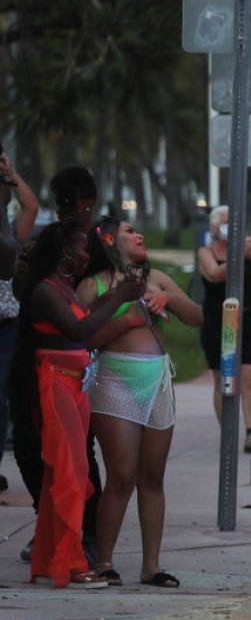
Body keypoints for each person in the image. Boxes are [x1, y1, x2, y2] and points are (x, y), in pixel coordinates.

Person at [76, 217, 203, 588]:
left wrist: (170, 298)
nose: (140, 235)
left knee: (153, 477)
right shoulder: (93, 284)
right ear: (109, 239)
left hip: (158, 380)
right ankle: (104, 562)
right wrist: (128, 320)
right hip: (115, 378)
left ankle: (151, 566)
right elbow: (83, 337)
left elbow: (197, 316)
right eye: (130, 231)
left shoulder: (157, 278)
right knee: (122, 476)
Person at [16, 222, 145, 587]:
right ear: (64, 253)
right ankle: (71, 563)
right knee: (71, 473)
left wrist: (120, 293)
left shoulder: (65, 288)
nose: (88, 253)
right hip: (56, 383)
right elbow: (79, 331)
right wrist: (120, 299)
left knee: (71, 472)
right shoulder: (45, 292)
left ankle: (49, 558)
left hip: (77, 386)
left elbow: (85, 319)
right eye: (82, 248)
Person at [11, 166, 102, 565]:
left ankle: (88, 532)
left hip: (78, 360)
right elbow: (25, 292)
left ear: (87, 203)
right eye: (62, 203)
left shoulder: (95, 243)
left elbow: (84, 315)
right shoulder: (52, 242)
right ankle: (49, 520)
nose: (70, 211)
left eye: (74, 203)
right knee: (33, 447)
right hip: (35, 354)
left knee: (79, 451)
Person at [198, 205, 251, 453]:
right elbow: (215, 274)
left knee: (249, 376)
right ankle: (228, 434)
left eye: (232, 222)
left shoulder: (246, 250)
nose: (228, 227)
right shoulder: (206, 252)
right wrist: (238, 253)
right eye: (223, 222)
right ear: (213, 227)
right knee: (223, 379)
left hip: (247, 319)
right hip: (217, 322)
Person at [0, 153, 39, 495]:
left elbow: (31, 207)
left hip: (6, 322)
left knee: (1, 395)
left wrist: (11, 173)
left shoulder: (10, 234)